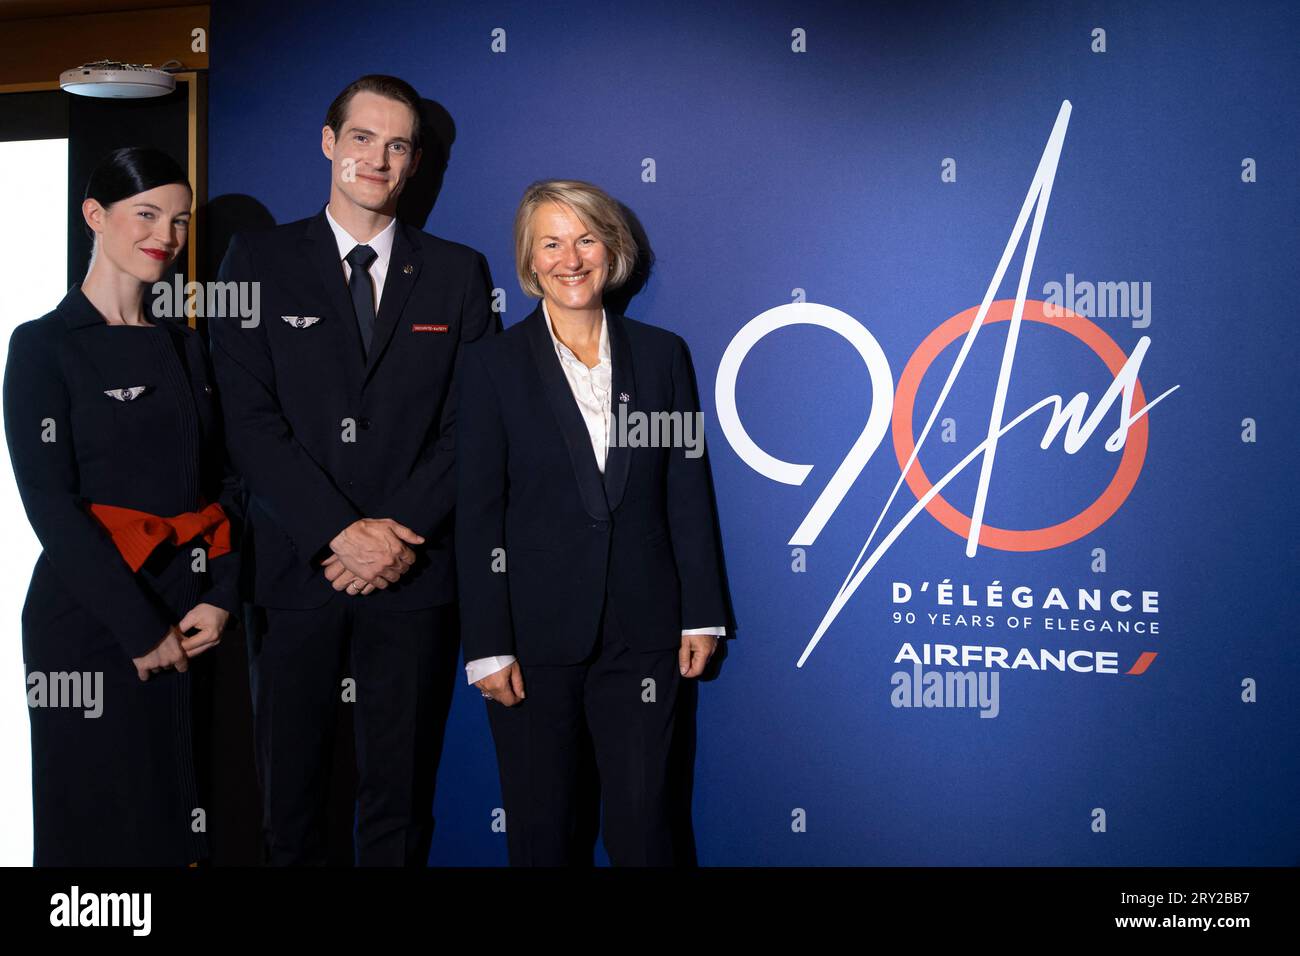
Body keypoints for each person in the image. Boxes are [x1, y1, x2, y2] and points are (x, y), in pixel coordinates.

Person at [211, 74, 497, 866]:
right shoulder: (256, 260)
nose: (378, 157)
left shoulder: (458, 272)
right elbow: (248, 422)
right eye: (363, 138)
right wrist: (339, 532)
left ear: (413, 164)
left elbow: (469, 426)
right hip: (298, 575)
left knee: (399, 805)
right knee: (290, 803)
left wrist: (393, 540)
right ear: (330, 142)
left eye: (397, 144)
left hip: (412, 576)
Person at [455, 179, 730, 866]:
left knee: (646, 830)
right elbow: (477, 512)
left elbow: (686, 489)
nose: (569, 258)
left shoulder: (664, 357)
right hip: (532, 640)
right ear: (528, 258)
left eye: (586, 238)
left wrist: (701, 612)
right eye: (550, 242)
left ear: (613, 249)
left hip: (643, 636)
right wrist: (487, 644)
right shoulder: (490, 366)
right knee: (543, 834)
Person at [3, 146, 240, 866]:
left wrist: (223, 596)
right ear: (94, 216)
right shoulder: (43, 346)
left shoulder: (189, 346)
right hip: (90, 620)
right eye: (145, 214)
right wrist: (140, 629)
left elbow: (228, 486)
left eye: (177, 220)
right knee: (96, 826)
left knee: (183, 826)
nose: (164, 236)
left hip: (194, 614)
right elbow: (49, 504)